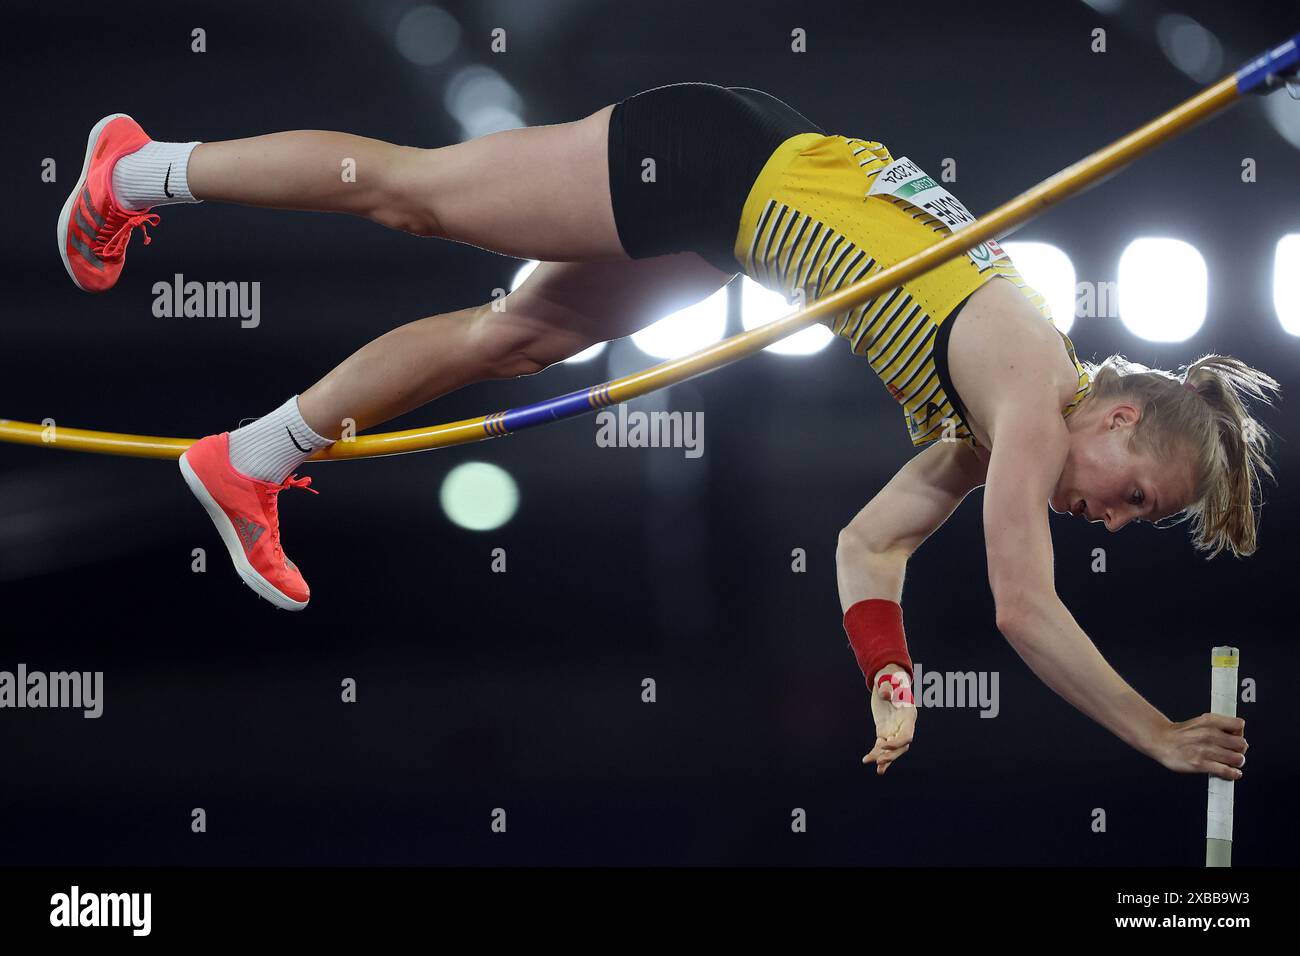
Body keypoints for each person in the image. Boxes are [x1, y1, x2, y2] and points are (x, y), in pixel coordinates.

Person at [58, 82, 1269, 782]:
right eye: (1134, 494)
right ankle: (136, 169)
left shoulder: (998, 415)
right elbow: (1023, 605)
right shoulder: (1018, 378)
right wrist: (1156, 733)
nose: (1107, 519)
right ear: (1115, 413)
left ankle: (250, 457)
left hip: (729, 220)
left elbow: (869, 547)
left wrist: (886, 673)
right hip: (717, 161)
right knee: (417, 194)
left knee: (511, 341)